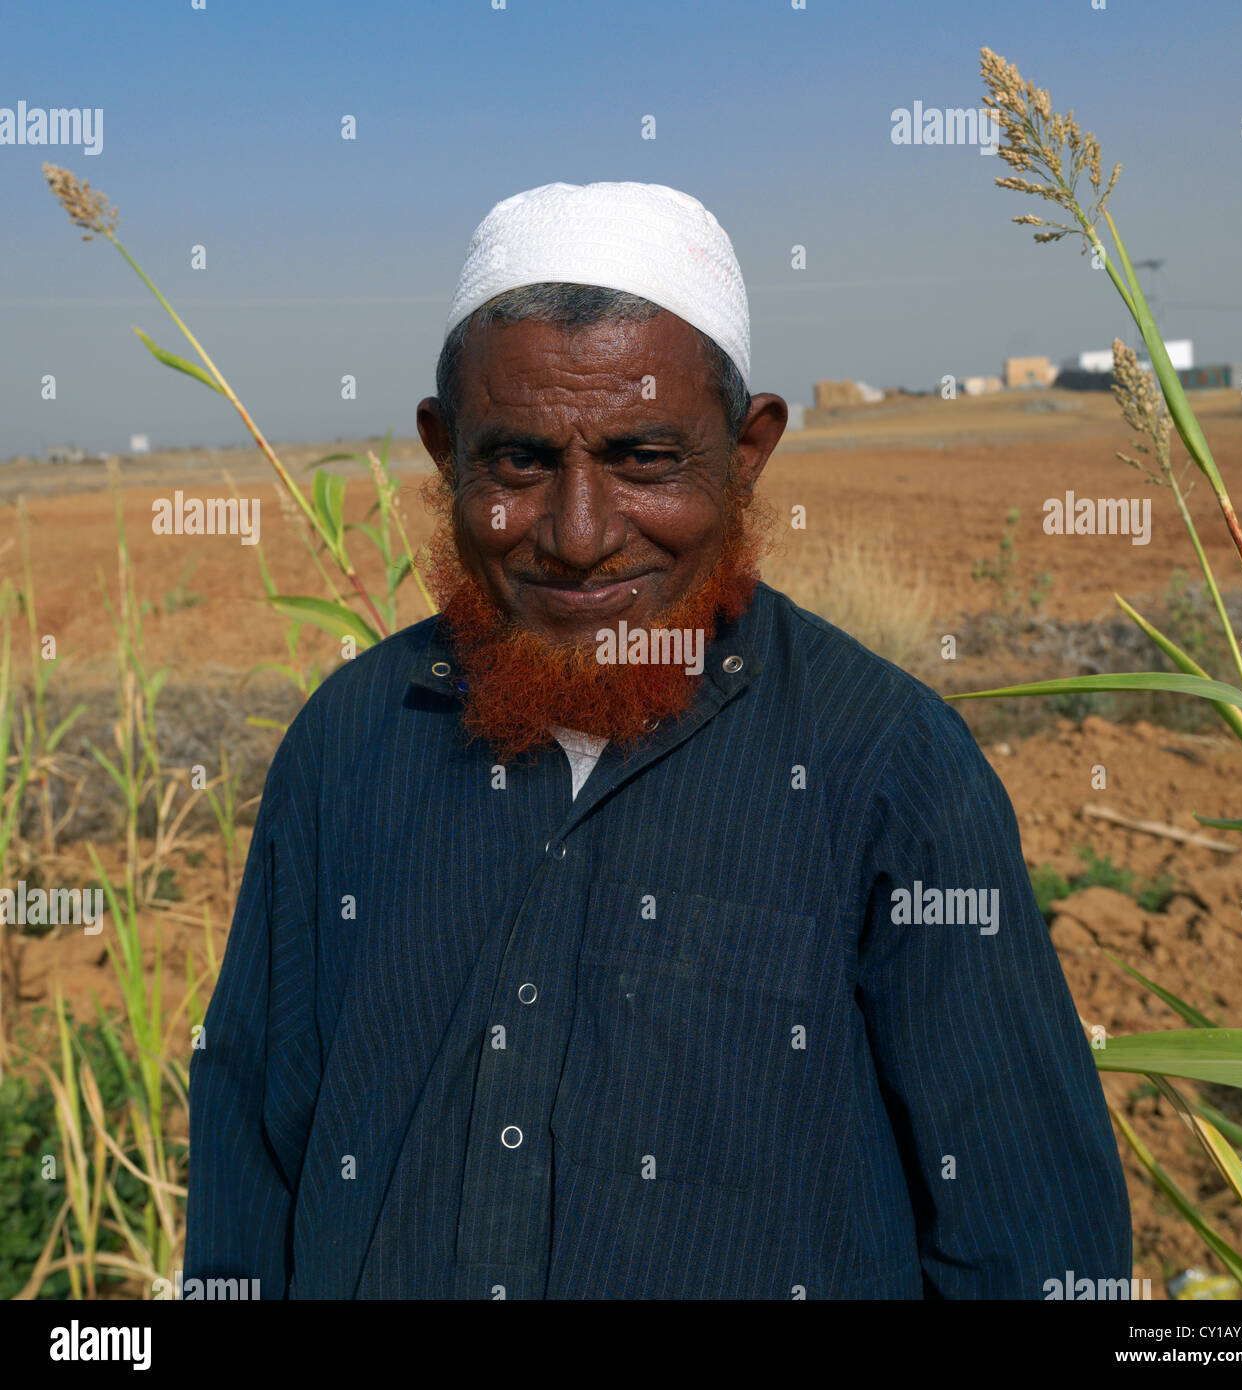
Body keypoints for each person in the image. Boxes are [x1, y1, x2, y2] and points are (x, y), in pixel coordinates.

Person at [186, 180, 1131, 1299]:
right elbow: (248, 1176)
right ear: (447, 456)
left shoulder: (888, 769)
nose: (579, 537)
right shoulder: (347, 747)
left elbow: (1031, 1246)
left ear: (747, 453)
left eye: (643, 459)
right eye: (520, 463)